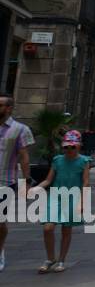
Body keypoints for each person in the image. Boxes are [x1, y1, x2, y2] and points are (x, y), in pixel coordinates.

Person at [28, 130, 92, 273]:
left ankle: (61, 260)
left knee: (66, 229)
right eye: (66, 147)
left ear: (79, 146)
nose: (69, 149)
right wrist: (36, 189)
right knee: (48, 227)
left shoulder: (84, 161)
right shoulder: (57, 160)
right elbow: (48, 180)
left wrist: (81, 202)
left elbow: (86, 183)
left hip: (72, 196)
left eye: (73, 147)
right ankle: (51, 258)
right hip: (55, 195)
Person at [0, 95, 34, 273]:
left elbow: (24, 156)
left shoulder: (20, 129)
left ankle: (0, 250)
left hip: (6, 181)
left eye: (0, 105)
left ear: (9, 108)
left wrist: (27, 180)